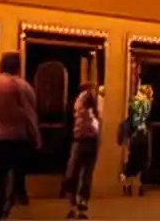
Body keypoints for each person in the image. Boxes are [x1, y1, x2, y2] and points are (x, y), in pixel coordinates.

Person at [0, 52, 40, 220]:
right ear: (17, 66)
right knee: (15, 174)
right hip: (16, 137)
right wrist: (36, 137)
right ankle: (7, 208)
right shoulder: (21, 86)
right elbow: (30, 114)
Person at [62, 82, 102, 219]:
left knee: (75, 172)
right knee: (84, 173)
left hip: (80, 139)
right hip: (86, 140)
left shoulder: (79, 104)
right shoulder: (90, 103)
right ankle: (79, 203)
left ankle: (75, 204)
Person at [119, 84, 154, 197]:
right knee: (140, 162)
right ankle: (134, 185)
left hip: (135, 137)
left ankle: (127, 184)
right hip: (140, 137)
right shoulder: (142, 105)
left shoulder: (135, 104)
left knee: (133, 162)